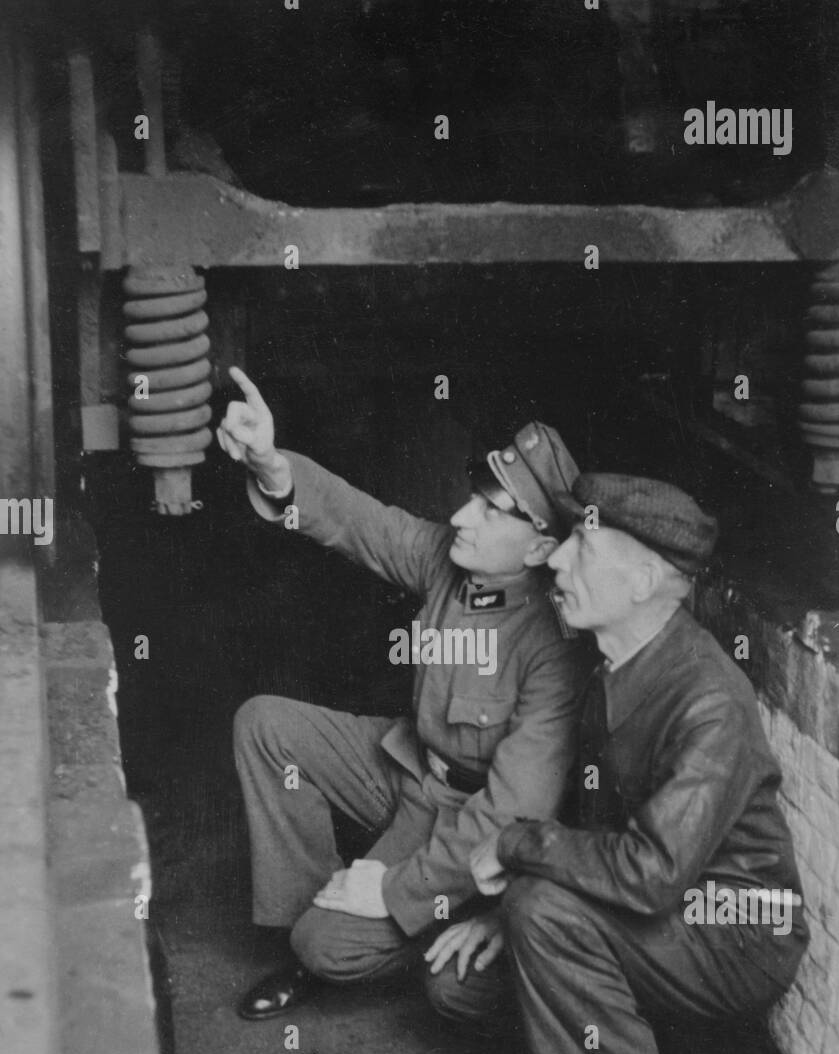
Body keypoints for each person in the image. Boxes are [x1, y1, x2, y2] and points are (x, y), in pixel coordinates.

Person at [446, 471, 809, 1054]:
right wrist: (504, 916)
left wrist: (515, 847)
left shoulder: (705, 700)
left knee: (541, 915)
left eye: (579, 550)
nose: (554, 558)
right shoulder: (613, 662)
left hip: (734, 928)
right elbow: (596, 828)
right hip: (658, 907)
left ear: (640, 584)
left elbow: (648, 872)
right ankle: (619, 1033)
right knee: (459, 986)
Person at [217, 367, 584, 1019]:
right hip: (407, 766)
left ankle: (410, 930)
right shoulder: (450, 559)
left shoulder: (550, 646)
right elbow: (359, 521)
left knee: (328, 946)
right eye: (473, 495)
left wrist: (394, 891)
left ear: (540, 547)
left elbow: (510, 812)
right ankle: (315, 909)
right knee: (266, 725)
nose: (460, 516)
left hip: (468, 822)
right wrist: (272, 465)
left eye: (491, 511)